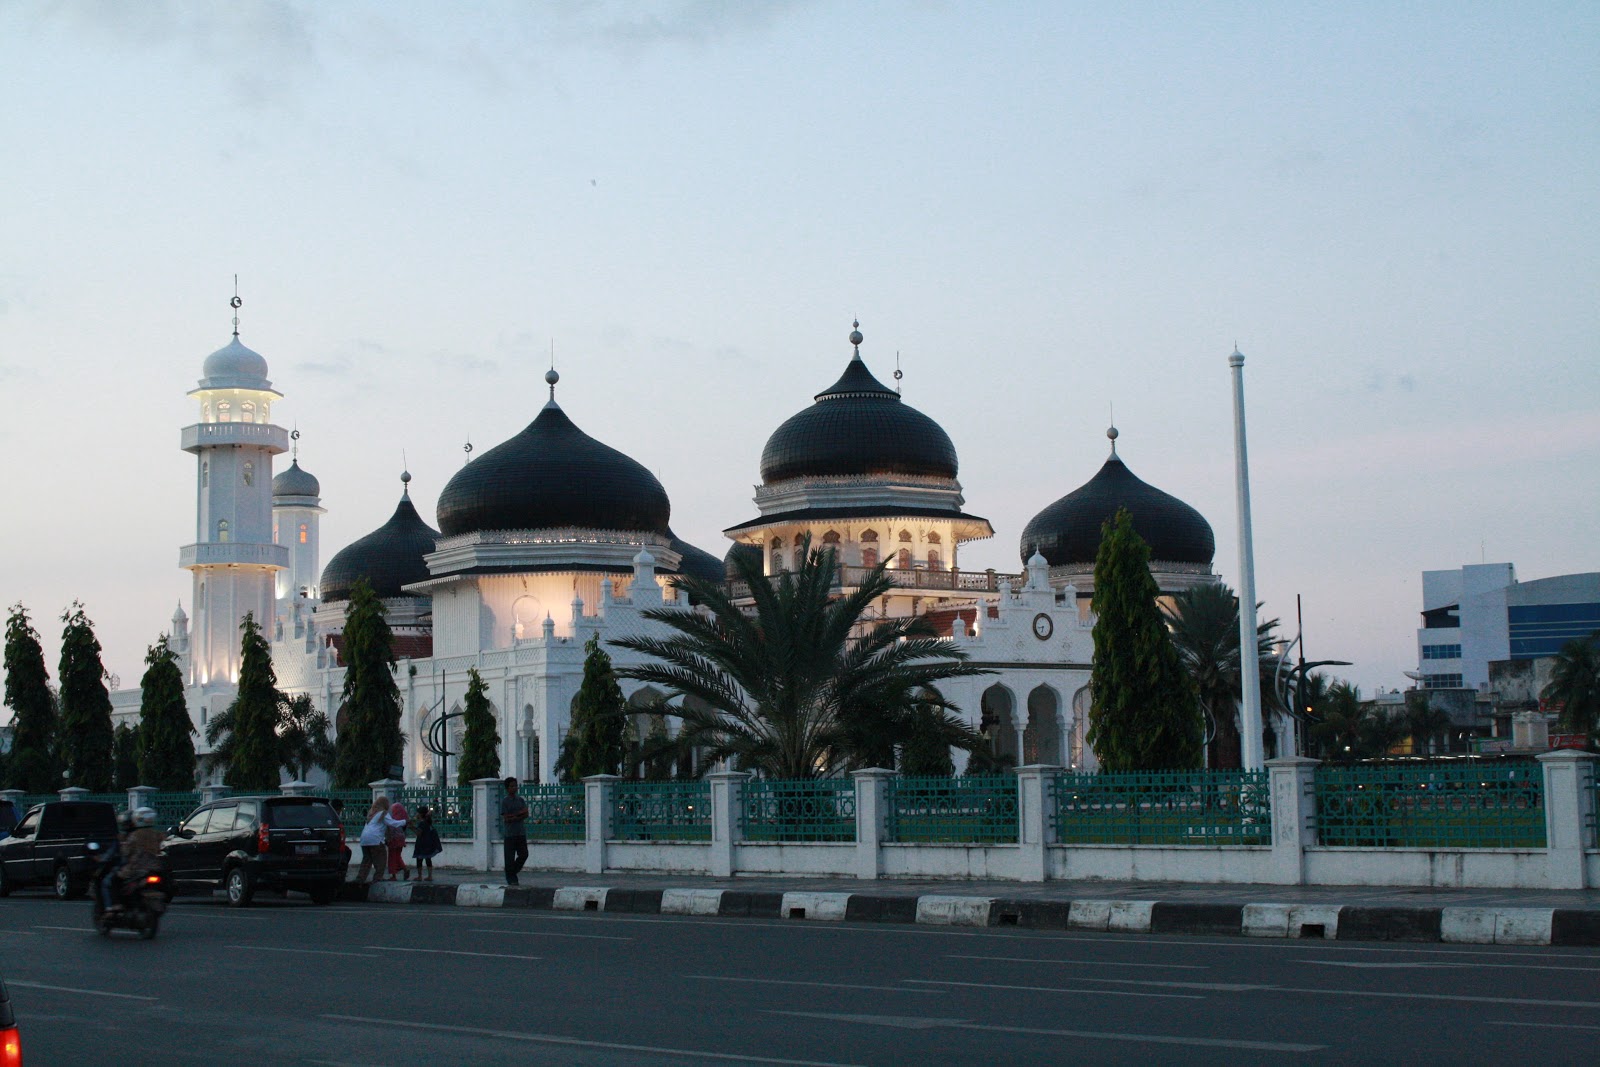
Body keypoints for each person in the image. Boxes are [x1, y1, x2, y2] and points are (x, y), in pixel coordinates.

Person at [355, 797, 403, 884]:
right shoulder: (383, 813)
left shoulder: (371, 813)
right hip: (375, 839)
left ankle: (360, 879)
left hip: (364, 840)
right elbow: (393, 823)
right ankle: (377, 878)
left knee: (366, 860)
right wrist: (405, 821)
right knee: (381, 859)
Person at [499, 776, 529, 885]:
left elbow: (526, 813)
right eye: (512, 786)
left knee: (524, 854)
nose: (514, 788)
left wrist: (516, 816)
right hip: (510, 834)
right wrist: (518, 815)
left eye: (515, 785)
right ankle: (511, 878)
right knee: (509, 858)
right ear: (507, 788)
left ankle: (512, 872)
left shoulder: (520, 800)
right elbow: (507, 818)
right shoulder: (505, 802)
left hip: (520, 832)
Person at [411, 805, 442, 881]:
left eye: (418, 813)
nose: (416, 815)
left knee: (419, 859)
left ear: (421, 814)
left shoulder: (422, 823)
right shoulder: (427, 822)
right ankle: (429, 875)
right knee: (428, 859)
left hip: (421, 843)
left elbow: (419, 833)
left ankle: (419, 876)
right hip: (428, 843)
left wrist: (411, 827)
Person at [384, 801, 409, 881]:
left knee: (392, 858)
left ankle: (393, 875)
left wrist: (387, 840)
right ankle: (405, 869)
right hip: (401, 840)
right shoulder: (402, 821)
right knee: (398, 856)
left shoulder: (392, 821)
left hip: (393, 840)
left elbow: (390, 831)